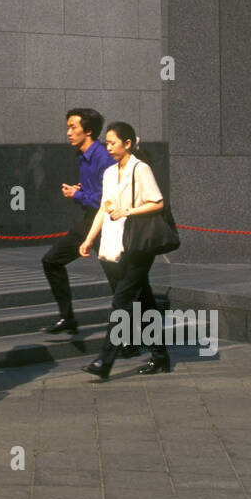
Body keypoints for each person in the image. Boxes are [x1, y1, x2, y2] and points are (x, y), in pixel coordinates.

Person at [77, 122, 170, 379]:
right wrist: (89, 239)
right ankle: (160, 357)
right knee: (144, 301)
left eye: (112, 142)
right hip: (116, 244)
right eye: (106, 143)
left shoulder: (141, 169)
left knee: (122, 300)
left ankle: (104, 361)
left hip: (139, 245)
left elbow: (158, 203)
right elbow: (103, 210)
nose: (108, 147)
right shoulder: (109, 173)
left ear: (127, 144)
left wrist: (128, 211)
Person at [41, 108, 111, 334]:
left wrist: (77, 195)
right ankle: (67, 317)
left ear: (88, 131)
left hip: (109, 223)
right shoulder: (83, 155)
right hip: (91, 220)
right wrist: (79, 190)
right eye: (68, 127)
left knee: (121, 281)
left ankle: (135, 339)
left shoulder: (102, 156)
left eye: (73, 127)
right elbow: (95, 192)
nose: (68, 132)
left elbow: (106, 199)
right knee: (52, 261)